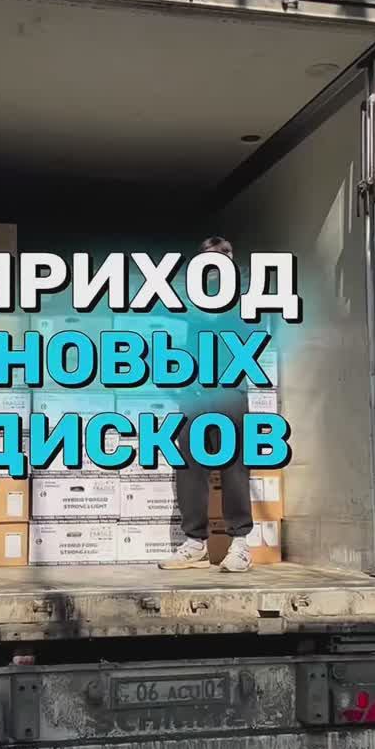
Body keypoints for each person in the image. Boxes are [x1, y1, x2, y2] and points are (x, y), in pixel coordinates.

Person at [159, 235, 253, 572]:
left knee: (233, 466)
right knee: (189, 466)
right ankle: (195, 543)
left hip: (230, 389)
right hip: (196, 392)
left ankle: (240, 544)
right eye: (208, 259)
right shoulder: (190, 293)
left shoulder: (244, 292)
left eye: (221, 258)